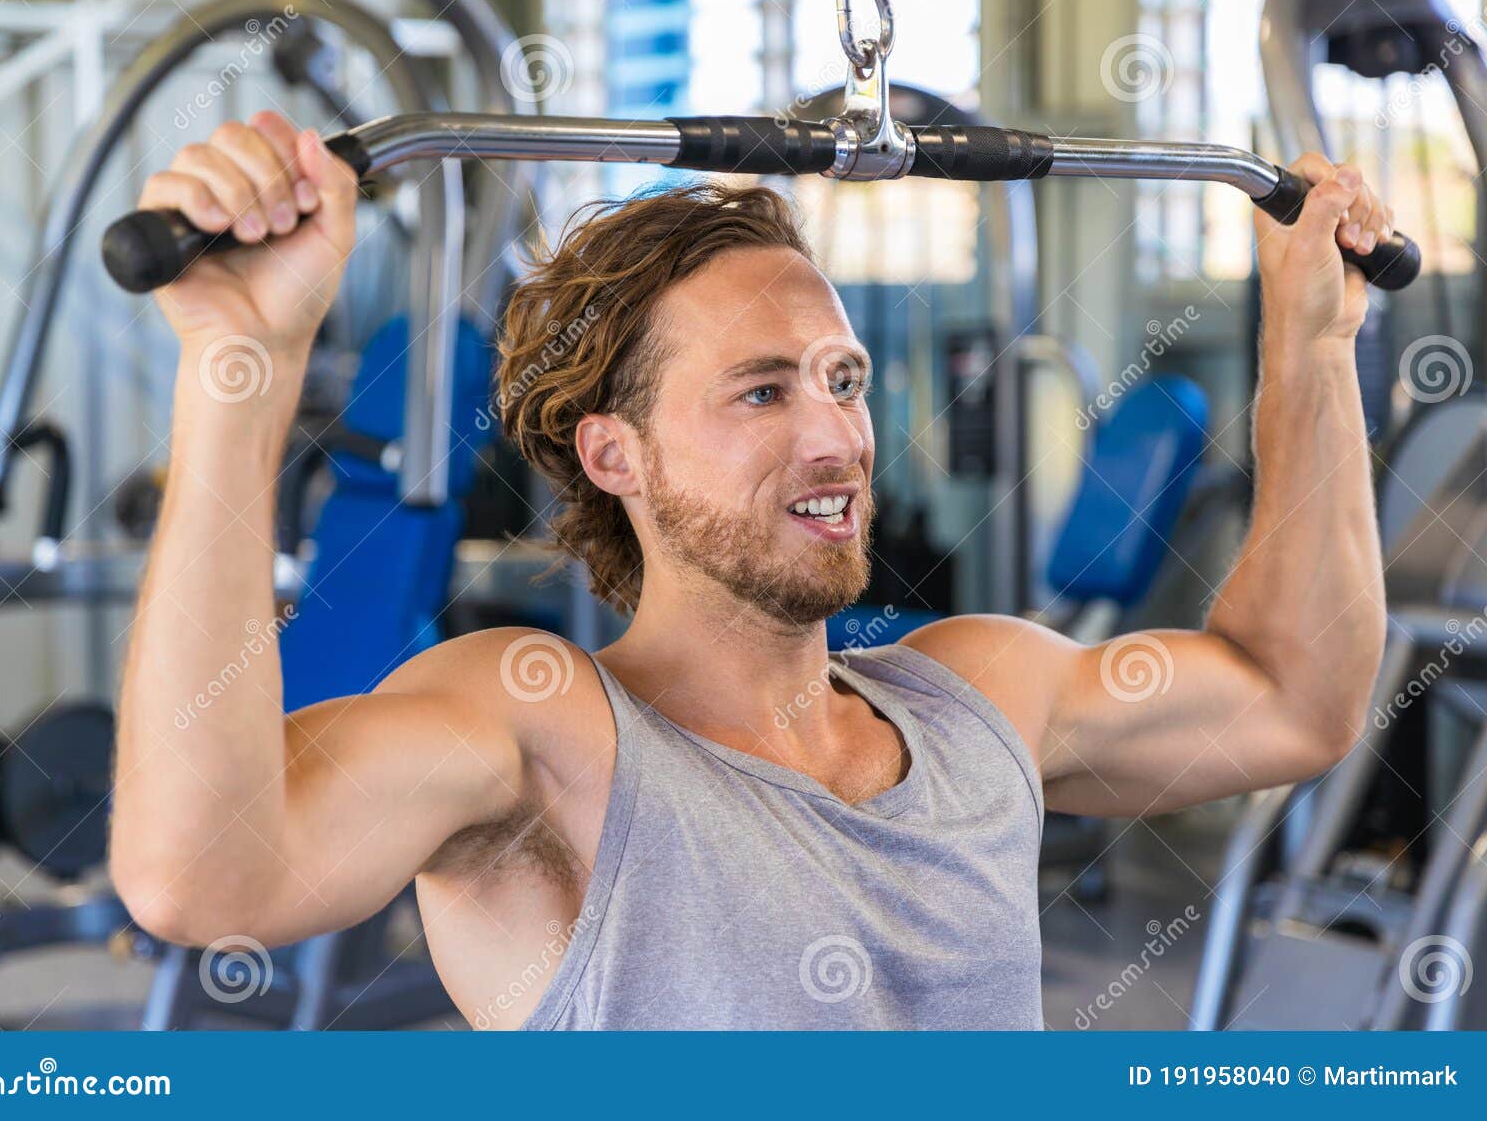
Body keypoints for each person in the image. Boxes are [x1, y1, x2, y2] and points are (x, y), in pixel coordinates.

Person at [111, 109, 1392, 1029]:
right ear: (613, 453)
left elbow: (1297, 694)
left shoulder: (975, 693)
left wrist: (1313, 344)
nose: (837, 437)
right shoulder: (544, 731)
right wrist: (242, 365)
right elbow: (203, 872)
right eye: (762, 390)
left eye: (843, 379)